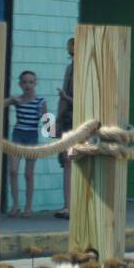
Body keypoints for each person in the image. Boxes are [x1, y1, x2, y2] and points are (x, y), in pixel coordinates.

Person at [3, 70, 47, 217]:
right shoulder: (18, 100)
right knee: (13, 171)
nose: (28, 85)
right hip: (17, 135)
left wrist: (46, 117)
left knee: (29, 174)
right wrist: (10, 100)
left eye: (31, 82)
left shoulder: (40, 101)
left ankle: (28, 207)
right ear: (20, 84)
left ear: (35, 83)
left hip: (31, 136)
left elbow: (49, 126)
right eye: (25, 82)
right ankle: (15, 205)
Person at [54, 36, 75, 219]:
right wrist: (57, 122)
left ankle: (71, 205)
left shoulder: (81, 70)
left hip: (80, 121)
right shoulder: (70, 69)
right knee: (68, 161)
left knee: (74, 162)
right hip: (69, 119)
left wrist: (66, 100)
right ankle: (68, 205)